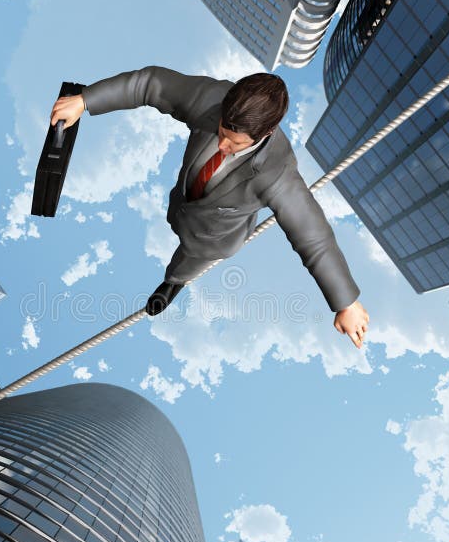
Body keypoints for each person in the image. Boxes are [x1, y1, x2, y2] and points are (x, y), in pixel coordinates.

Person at [50, 66, 370, 348]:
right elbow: (151, 83)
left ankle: (172, 283)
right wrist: (85, 100)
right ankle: (177, 233)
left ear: (266, 133)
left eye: (234, 142)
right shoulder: (212, 98)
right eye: (222, 133)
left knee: (187, 263)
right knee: (175, 219)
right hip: (184, 202)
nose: (222, 145)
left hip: (212, 238)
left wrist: (346, 303)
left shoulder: (278, 172)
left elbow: (313, 237)